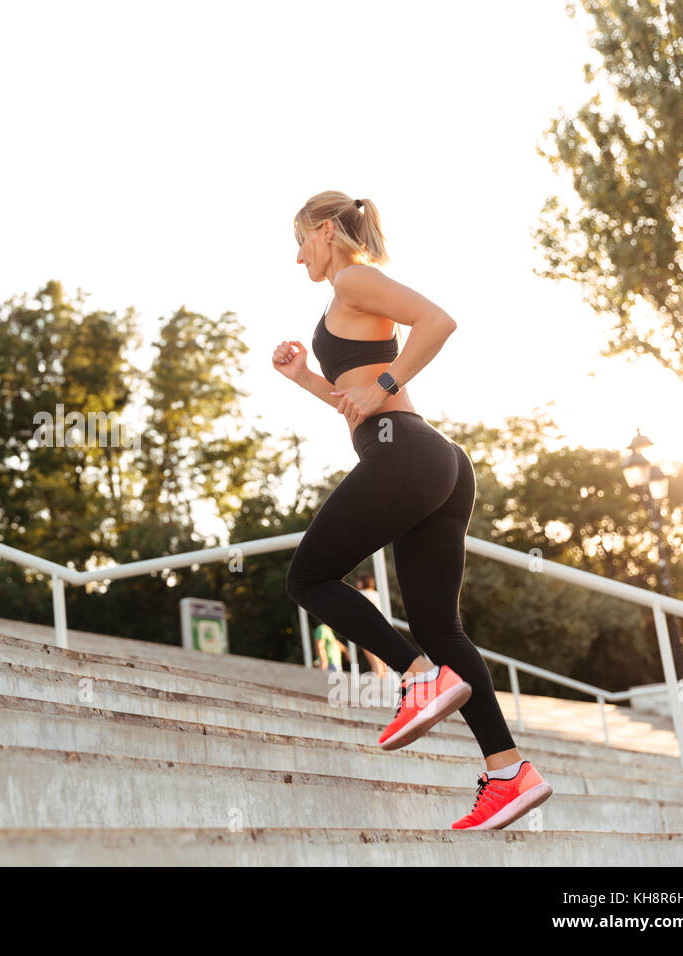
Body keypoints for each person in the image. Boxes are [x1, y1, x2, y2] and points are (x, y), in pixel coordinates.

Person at [272, 191, 551, 831]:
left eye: (299, 242)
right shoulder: (347, 294)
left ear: (323, 230)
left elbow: (438, 322)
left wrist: (388, 384)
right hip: (429, 459)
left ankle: (418, 678)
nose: (297, 258)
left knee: (307, 578)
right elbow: (358, 401)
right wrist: (308, 380)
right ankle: (509, 771)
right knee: (441, 629)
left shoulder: (352, 276)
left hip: (404, 449)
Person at [353, 573, 389, 679]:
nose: (357, 583)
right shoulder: (376, 594)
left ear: (363, 582)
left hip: (366, 629)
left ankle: (376, 688)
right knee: (383, 662)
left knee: (374, 661)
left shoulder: (361, 593)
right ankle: (388, 688)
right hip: (380, 628)